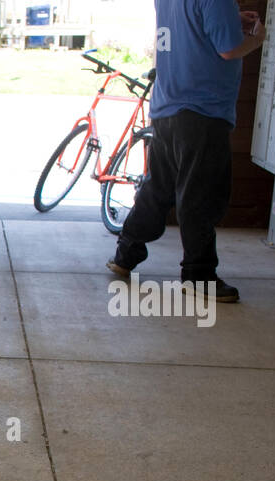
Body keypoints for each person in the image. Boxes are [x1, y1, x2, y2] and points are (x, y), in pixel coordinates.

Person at [107, 0, 266, 302]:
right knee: (201, 195)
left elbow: (190, 30)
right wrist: (257, 39)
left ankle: (125, 254)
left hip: (167, 106)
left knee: (158, 187)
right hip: (202, 110)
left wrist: (231, 20)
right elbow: (229, 49)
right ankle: (199, 275)